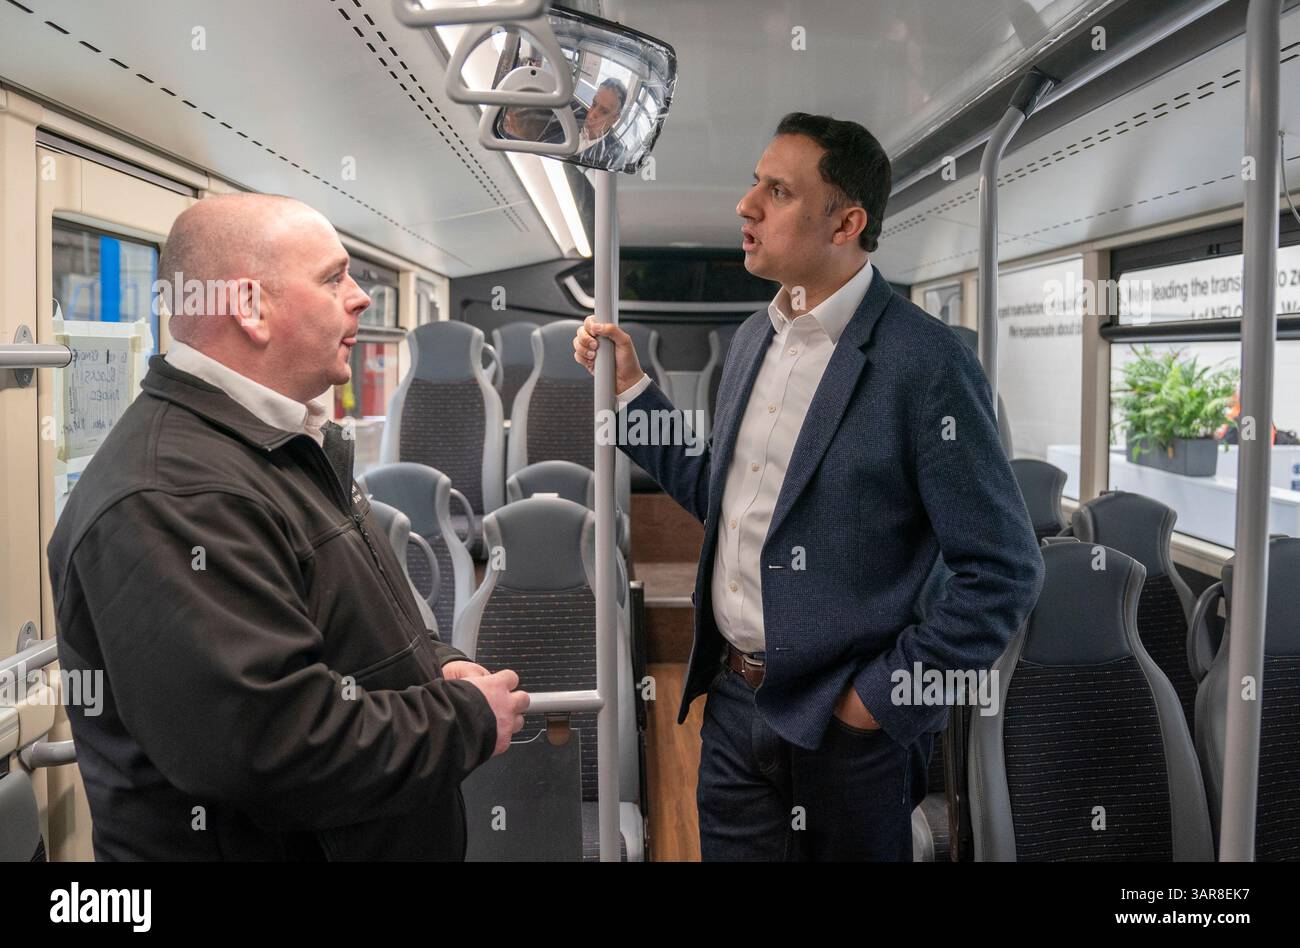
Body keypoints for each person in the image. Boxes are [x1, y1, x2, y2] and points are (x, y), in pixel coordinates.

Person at [574, 112, 1043, 861]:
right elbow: (721, 494)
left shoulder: (926, 364)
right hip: (733, 703)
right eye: (755, 183)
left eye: (778, 190)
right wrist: (633, 391)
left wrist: (877, 704)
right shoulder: (757, 337)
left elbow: (1005, 572)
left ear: (846, 223)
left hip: (845, 727)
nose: (746, 205)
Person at [48, 193, 529, 861]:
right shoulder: (174, 495)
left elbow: (345, 628)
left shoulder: (279, 445)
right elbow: (274, 749)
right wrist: (468, 722)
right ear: (251, 308)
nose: (360, 298)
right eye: (334, 278)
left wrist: (437, 667)